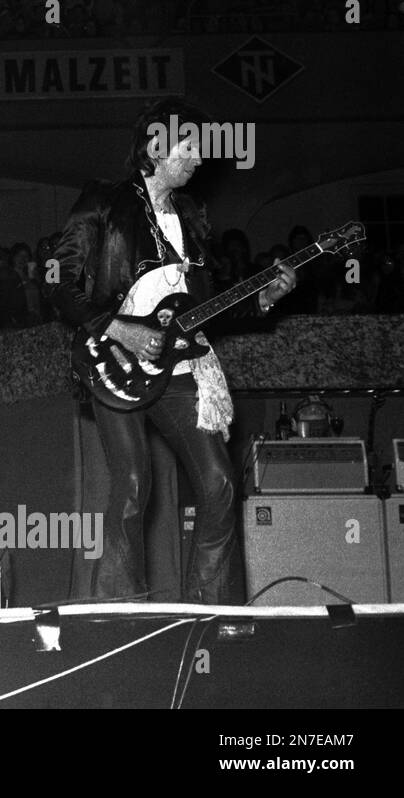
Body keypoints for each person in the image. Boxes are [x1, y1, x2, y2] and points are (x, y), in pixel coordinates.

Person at [50, 99, 296, 604]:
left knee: (220, 484)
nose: (201, 157)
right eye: (192, 146)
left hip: (180, 366)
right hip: (112, 359)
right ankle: (121, 609)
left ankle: (206, 609)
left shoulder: (192, 217)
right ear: (157, 145)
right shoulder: (103, 202)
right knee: (134, 481)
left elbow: (204, 309)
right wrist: (117, 327)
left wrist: (261, 301)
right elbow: (56, 282)